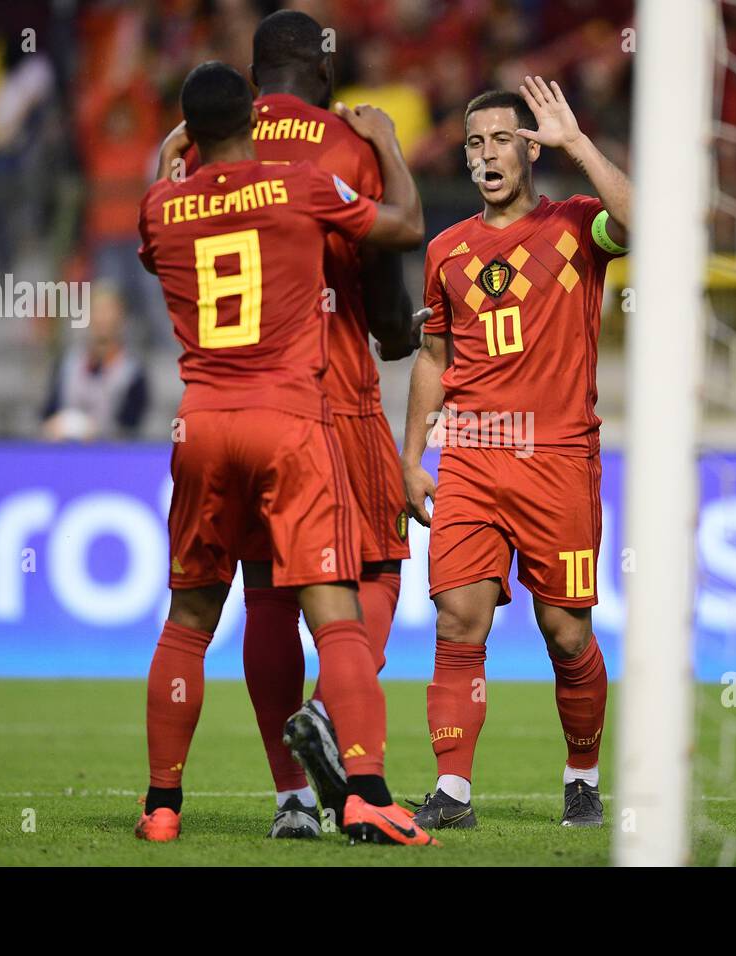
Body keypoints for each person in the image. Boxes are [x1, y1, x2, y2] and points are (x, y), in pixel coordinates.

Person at [135, 60, 432, 846]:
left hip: (200, 426)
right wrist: (390, 144)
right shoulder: (295, 186)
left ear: (190, 133)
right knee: (333, 613)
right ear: (255, 124)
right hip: (288, 420)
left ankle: (163, 807)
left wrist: (170, 159)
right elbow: (403, 226)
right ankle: (365, 792)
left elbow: (150, 235)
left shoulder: (161, 207)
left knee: (190, 619)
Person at [402, 78, 630, 829]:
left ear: (529, 148)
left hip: (559, 456)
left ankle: (583, 777)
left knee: (566, 632)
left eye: (501, 138)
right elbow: (433, 357)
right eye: (474, 144)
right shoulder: (445, 251)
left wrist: (580, 145)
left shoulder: (576, 229)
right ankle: (453, 793)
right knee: (458, 620)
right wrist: (413, 456)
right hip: (470, 453)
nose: (486, 154)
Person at [40, 285, 148, 441]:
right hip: (64, 451)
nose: (102, 318)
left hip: (109, 455)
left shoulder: (132, 373)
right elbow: (49, 412)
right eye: (97, 310)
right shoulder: (67, 364)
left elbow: (131, 426)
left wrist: (95, 431)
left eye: (108, 311)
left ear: (121, 316)